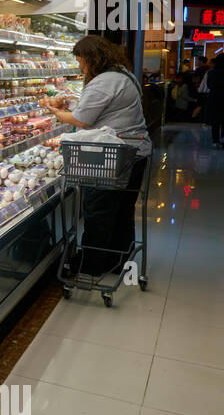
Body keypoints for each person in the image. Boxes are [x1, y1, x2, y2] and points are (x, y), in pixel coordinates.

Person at [40, 35, 151, 275]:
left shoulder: (104, 81)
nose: (80, 66)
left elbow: (82, 120)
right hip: (136, 151)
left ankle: (91, 266)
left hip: (114, 156)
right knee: (122, 211)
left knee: (99, 211)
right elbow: (98, 112)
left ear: (93, 58)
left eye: (81, 60)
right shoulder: (123, 74)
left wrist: (55, 111)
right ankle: (119, 260)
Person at [202, 53, 224, 148]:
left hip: (214, 98)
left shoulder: (211, 72)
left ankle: (215, 141)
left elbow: (209, 85)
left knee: (215, 121)